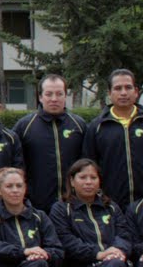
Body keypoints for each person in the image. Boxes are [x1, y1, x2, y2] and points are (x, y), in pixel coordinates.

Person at [83, 69, 143, 206]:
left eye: (128, 87)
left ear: (136, 91)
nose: (123, 92)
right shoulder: (97, 127)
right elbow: (89, 166)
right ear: (109, 93)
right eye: (118, 88)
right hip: (110, 205)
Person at [14, 74, 88, 211]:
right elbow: (16, 164)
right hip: (36, 205)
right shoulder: (24, 126)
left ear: (66, 96)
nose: (54, 99)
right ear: (40, 97)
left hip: (73, 204)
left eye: (59, 94)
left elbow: (87, 162)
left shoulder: (79, 125)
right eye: (49, 94)